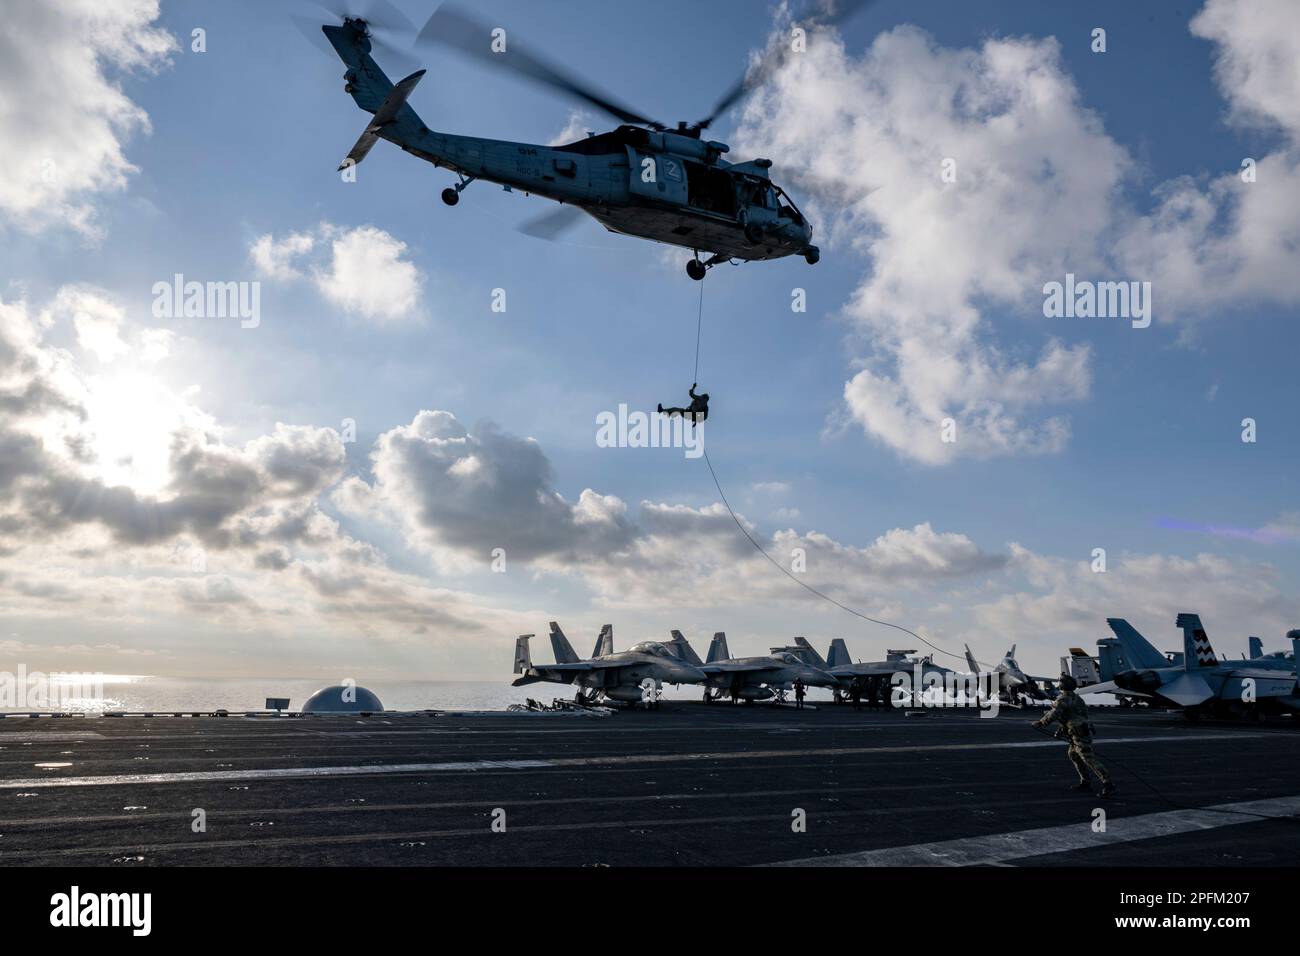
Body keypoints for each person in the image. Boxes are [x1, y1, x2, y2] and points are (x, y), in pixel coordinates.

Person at [1032, 674, 1115, 796]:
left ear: (1062, 685)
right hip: (1078, 732)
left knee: (1089, 759)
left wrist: (1040, 723)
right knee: (1073, 755)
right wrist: (1062, 730)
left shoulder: (1063, 699)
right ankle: (1085, 782)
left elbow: (1053, 714)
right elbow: (1071, 716)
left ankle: (1108, 784)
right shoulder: (1077, 698)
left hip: (1078, 734)